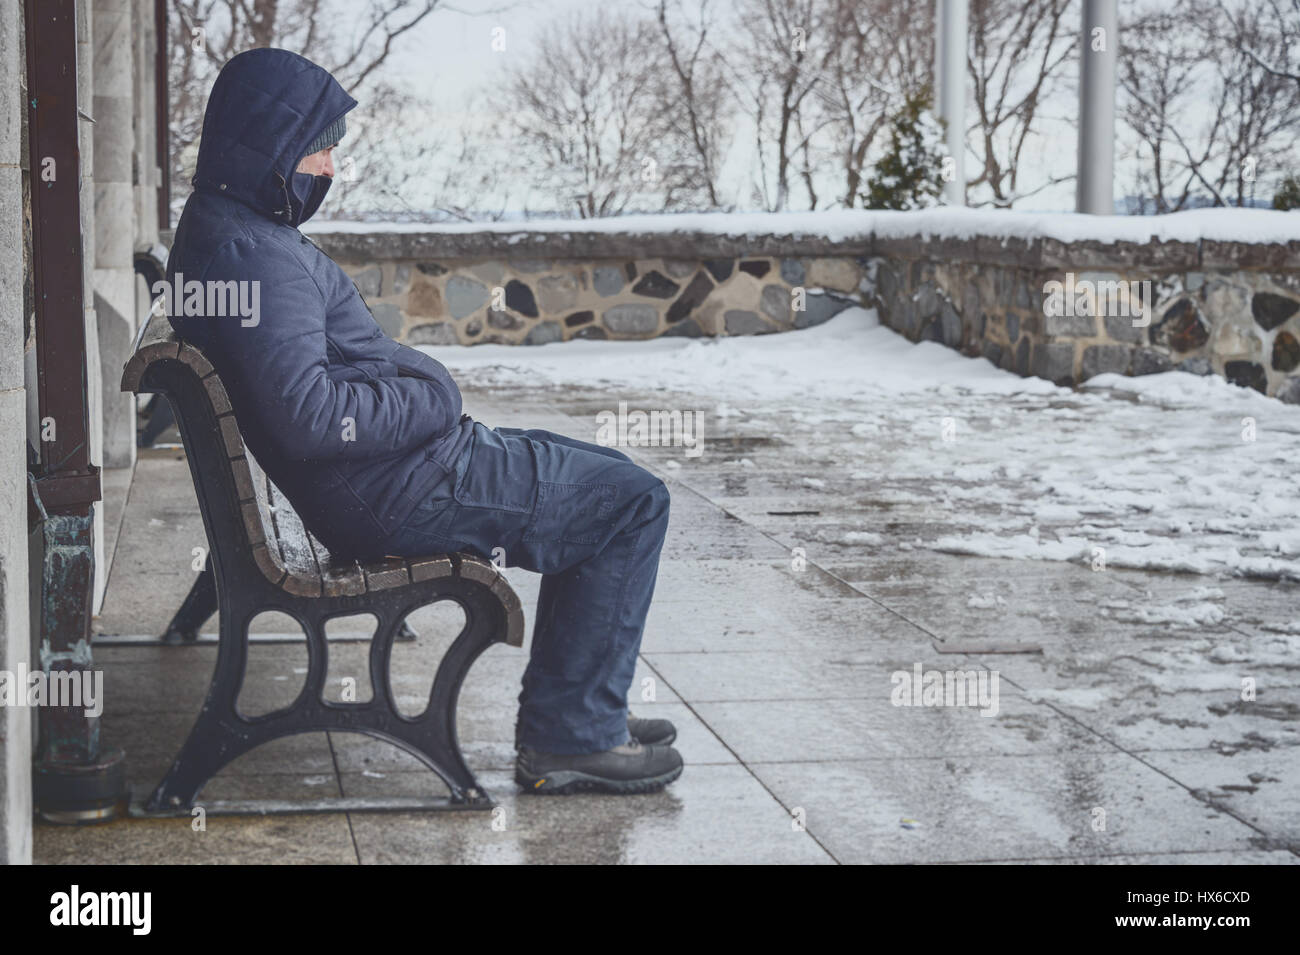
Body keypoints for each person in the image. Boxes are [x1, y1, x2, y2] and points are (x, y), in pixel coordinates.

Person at [166, 48, 681, 795]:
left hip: (396, 476)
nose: (330, 170)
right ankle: (571, 735)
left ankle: (582, 709)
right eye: (320, 149)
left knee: (610, 479)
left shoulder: (231, 230)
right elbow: (311, 417)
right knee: (632, 503)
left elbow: (307, 392)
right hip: (405, 490)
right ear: (270, 144)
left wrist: (415, 390)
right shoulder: (252, 255)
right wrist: (432, 391)